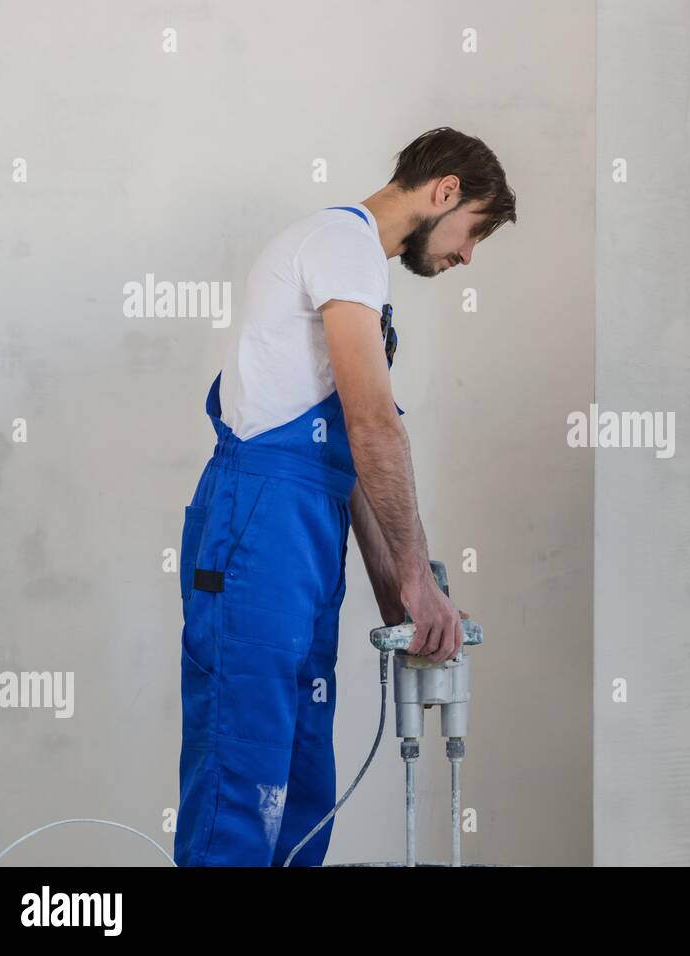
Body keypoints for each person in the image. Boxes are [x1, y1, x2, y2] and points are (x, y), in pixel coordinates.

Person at [174, 127, 516, 866]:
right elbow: (371, 427)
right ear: (445, 190)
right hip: (260, 520)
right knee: (243, 772)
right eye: (474, 231)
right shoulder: (342, 244)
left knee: (299, 787)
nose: (466, 254)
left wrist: (399, 588)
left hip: (305, 526)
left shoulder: (360, 274)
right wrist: (419, 581)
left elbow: (355, 456)